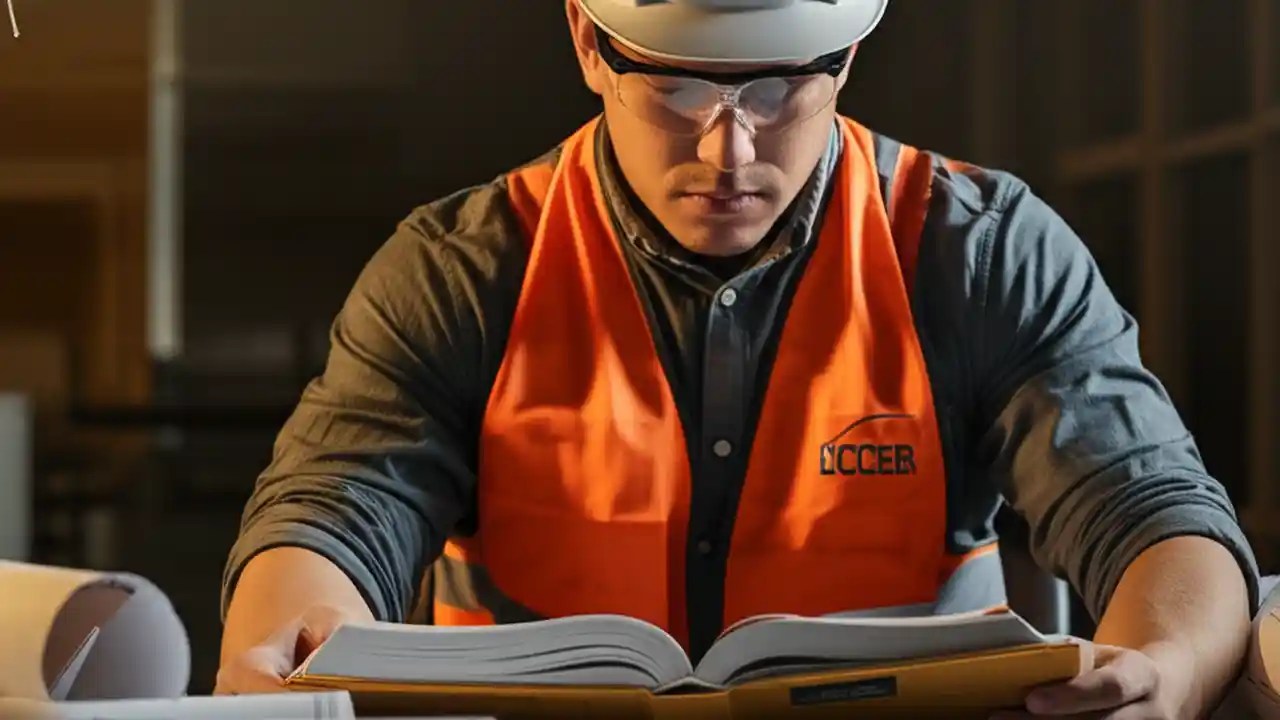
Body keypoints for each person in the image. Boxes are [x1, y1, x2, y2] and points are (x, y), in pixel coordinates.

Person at [215, 1, 1264, 716]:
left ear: (846, 57)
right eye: (677, 90)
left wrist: (1164, 673)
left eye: (774, 90)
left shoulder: (976, 251)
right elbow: (333, 510)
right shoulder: (461, 270)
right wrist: (281, 652)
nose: (729, 152)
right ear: (587, 40)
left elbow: (1151, 508)